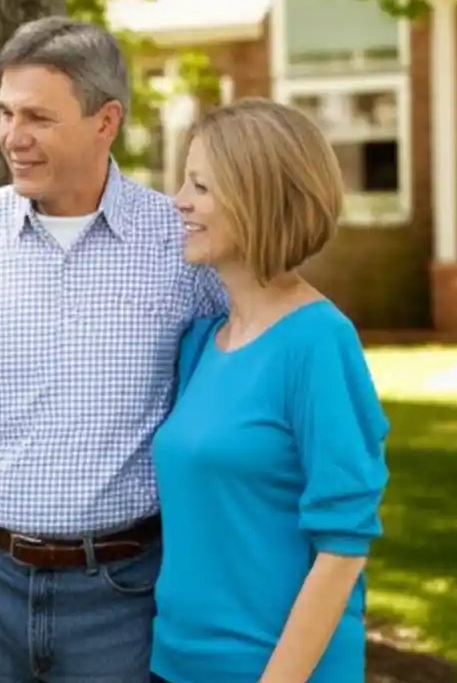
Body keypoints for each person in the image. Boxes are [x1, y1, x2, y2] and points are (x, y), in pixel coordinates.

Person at [0, 16, 226, 682]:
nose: (13, 138)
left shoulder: (182, 246)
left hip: (126, 595)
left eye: (38, 117)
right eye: (6, 113)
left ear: (106, 122)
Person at [149, 98, 390, 683]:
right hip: (173, 665)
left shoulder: (318, 342)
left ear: (256, 198)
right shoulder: (202, 341)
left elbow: (343, 547)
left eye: (200, 186)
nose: (178, 200)